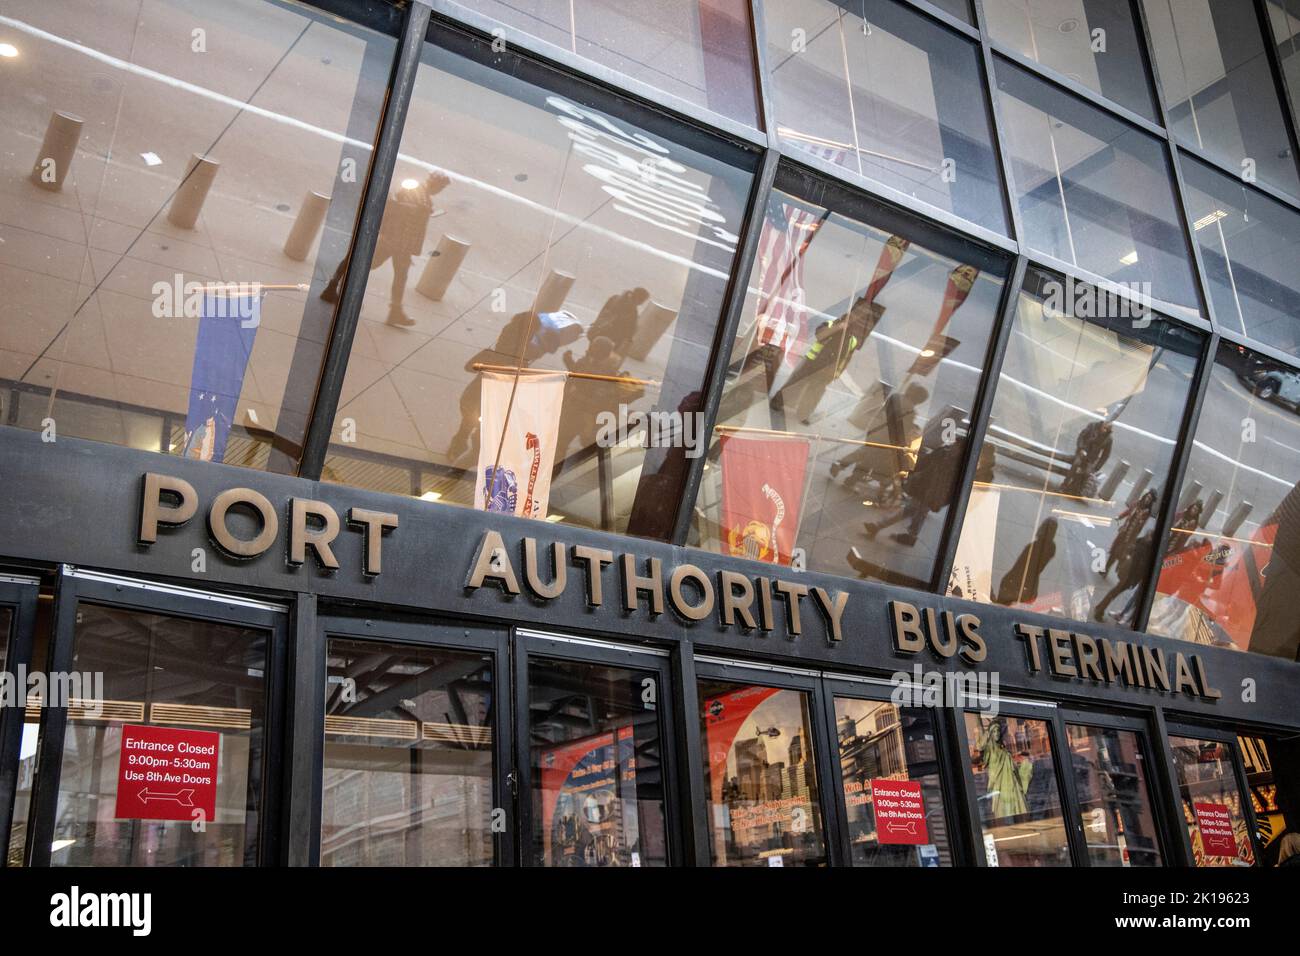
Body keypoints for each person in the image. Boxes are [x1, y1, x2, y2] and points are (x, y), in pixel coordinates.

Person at [321, 170, 451, 327]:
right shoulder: (415, 190)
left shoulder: (426, 198)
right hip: (392, 240)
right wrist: (415, 211)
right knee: (363, 263)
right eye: (441, 186)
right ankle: (338, 291)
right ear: (434, 182)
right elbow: (393, 206)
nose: (440, 190)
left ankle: (394, 311)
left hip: (402, 244)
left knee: (397, 275)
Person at [995, 518, 1059, 606]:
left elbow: (1024, 566)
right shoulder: (1043, 546)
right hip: (1020, 584)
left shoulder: (1044, 547)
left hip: (1021, 585)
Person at [585, 287, 649, 357]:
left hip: (598, 331)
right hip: (611, 340)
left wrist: (596, 324)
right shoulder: (632, 311)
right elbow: (629, 331)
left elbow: (602, 312)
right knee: (600, 359)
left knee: (591, 353)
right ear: (640, 300)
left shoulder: (615, 298)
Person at [1106, 489, 1157, 575]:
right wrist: (1119, 517)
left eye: (1150, 499)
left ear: (1151, 502)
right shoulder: (1137, 503)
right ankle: (1106, 569)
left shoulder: (1147, 513)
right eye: (1147, 497)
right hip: (1124, 531)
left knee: (1119, 552)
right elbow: (1128, 511)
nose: (1147, 500)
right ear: (1145, 496)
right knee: (1114, 549)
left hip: (1130, 537)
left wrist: (1133, 540)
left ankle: (1113, 567)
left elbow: (1140, 527)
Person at [1061, 415, 1113, 497]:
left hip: (1092, 459)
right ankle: (1064, 484)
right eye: (1104, 428)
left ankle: (1076, 489)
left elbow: (1105, 455)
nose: (1104, 430)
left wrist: (1097, 467)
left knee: (1087, 472)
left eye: (1107, 430)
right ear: (1102, 425)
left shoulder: (1108, 439)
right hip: (1082, 453)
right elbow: (1081, 437)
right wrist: (1081, 448)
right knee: (1076, 464)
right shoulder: (1092, 426)